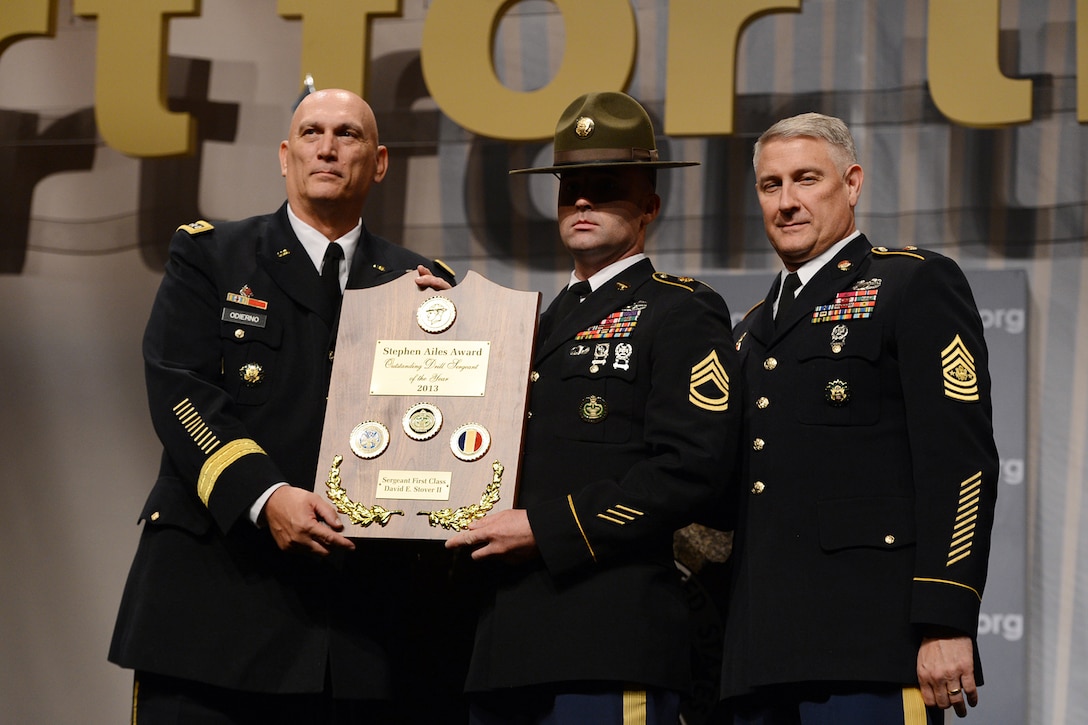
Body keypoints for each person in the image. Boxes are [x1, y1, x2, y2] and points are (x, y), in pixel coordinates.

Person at [108, 88, 462, 724]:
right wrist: (266, 494)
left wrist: (454, 335)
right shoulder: (211, 255)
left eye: (348, 135)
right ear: (284, 155)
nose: (327, 148)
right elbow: (180, 388)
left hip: (363, 632)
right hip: (217, 612)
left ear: (379, 162)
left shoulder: (422, 285)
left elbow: (444, 436)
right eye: (311, 133)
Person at [445, 91, 742, 724]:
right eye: (569, 188)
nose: (581, 201)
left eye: (605, 188)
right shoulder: (532, 326)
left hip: (608, 638)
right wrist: (435, 325)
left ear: (649, 208)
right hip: (503, 644)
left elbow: (691, 468)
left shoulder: (679, 310)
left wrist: (546, 530)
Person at [719, 112, 999, 723]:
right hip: (758, 659)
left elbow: (960, 463)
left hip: (875, 645)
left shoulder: (912, 283)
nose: (787, 202)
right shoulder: (747, 332)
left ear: (852, 183)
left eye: (806, 179)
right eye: (771, 185)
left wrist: (945, 618)